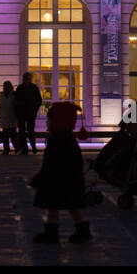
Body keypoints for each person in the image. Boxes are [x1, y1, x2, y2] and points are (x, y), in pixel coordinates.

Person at [29, 101, 91, 243]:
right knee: (73, 206)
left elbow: (51, 163)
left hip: (56, 180)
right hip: (70, 179)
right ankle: (82, 230)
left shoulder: (56, 140)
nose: (47, 123)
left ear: (57, 121)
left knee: (52, 206)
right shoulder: (68, 139)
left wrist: (40, 178)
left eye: (49, 120)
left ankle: (52, 232)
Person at [15, 72, 43, 155]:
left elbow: (39, 100)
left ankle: (32, 147)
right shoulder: (23, 88)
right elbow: (16, 101)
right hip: (23, 113)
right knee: (23, 132)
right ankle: (25, 149)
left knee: (29, 131)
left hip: (29, 112)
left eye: (28, 78)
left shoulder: (32, 88)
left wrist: (34, 109)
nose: (27, 80)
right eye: (26, 78)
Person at [0, 80, 20, 154]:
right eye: (4, 86)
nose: (5, 88)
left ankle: (16, 147)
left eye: (6, 86)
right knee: (5, 136)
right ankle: (7, 149)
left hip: (12, 118)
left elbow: (16, 107)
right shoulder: (1, 96)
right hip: (4, 118)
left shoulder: (14, 96)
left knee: (13, 135)